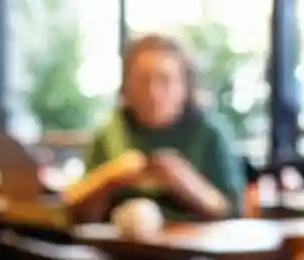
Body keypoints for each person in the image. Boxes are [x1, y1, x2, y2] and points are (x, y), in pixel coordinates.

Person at [65, 35, 246, 222]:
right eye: (142, 80)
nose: (153, 93)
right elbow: (77, 214)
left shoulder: (210, 133)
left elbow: (233, 214)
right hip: (120, 247)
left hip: (192, 248)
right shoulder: (110, 132)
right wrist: (110, 179)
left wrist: (184, 181)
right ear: (126, 86)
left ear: (185, 87)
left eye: (165, 80)